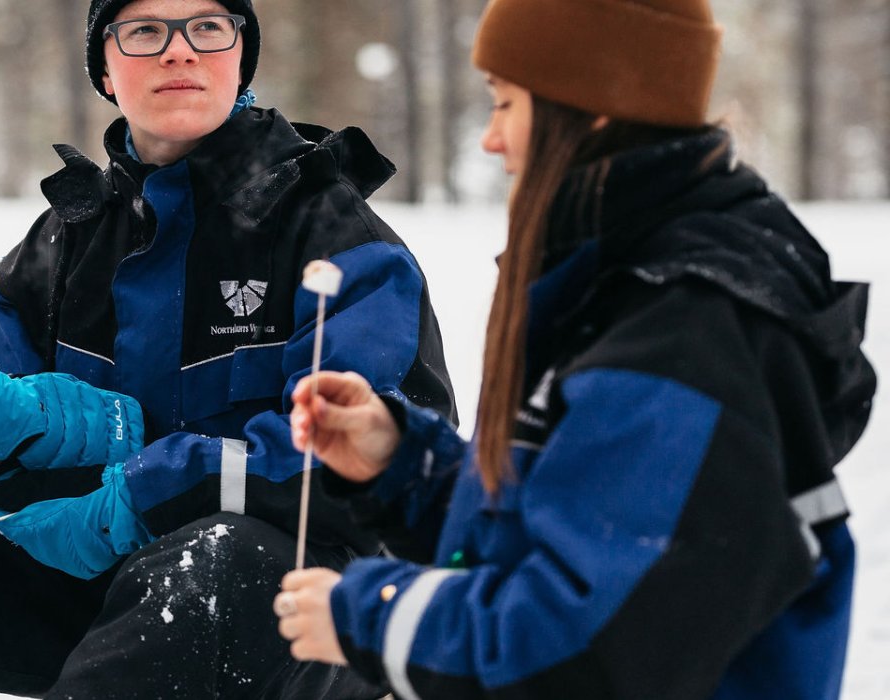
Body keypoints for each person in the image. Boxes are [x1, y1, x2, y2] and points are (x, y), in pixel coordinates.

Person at [0, 0, 452, 696]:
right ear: (105, 70)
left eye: (208, 27)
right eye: (142, 30)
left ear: (241, 57)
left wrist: (161, 486)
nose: (179, 49)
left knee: (209, 567)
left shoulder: (335, 237)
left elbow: (375, 471)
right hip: (102, 592)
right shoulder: (61, 244)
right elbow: (13, 472)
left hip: (306, 603)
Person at [276, 0, 876, 698]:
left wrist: (368, 617)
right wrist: (401, 464)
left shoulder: (681, 333)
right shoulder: (616, 282)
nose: (490, 140)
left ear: (593, 107)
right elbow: (576, 520)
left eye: (505, 105)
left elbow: (589, 652)